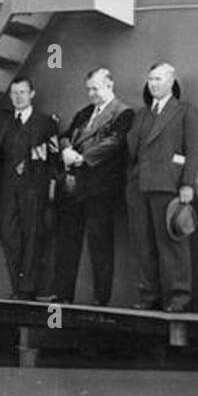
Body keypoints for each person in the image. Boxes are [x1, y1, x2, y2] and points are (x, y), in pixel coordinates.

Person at [49, 67, 132, 306]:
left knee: (100, 244)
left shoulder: (123, 113)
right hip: (75, 187)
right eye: (89, 89)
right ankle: (63, 294)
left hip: (100, 188)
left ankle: (100, 298)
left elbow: (115, 143)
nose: (92, 93)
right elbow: (66, 134)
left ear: (110, 85)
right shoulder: (85, 112)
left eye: (96, 88)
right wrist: (65, 148)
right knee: (67, 242)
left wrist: (81, 158)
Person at [125, 61, 198, 312]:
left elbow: (193, 152)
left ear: (171, 82)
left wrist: (188, 185)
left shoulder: (185, 112)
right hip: (140, 186)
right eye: (150, 79)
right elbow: (132, 151)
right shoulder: (142, 114)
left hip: (168, 186)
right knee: (143, 243)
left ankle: (179, 298)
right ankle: (149, 296)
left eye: (158, 79)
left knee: (172, 243)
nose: (153, 84)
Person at [0, 79, 59, 299]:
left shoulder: (46, 122)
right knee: (7, 235)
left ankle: (26, 290)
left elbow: (53, 156)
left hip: (33, 188)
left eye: (22, 92)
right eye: (14, 93)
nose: (18, 96)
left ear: (32, 94)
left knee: (32, 235)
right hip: (8, 187)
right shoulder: (2, 120)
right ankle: (17, 286)